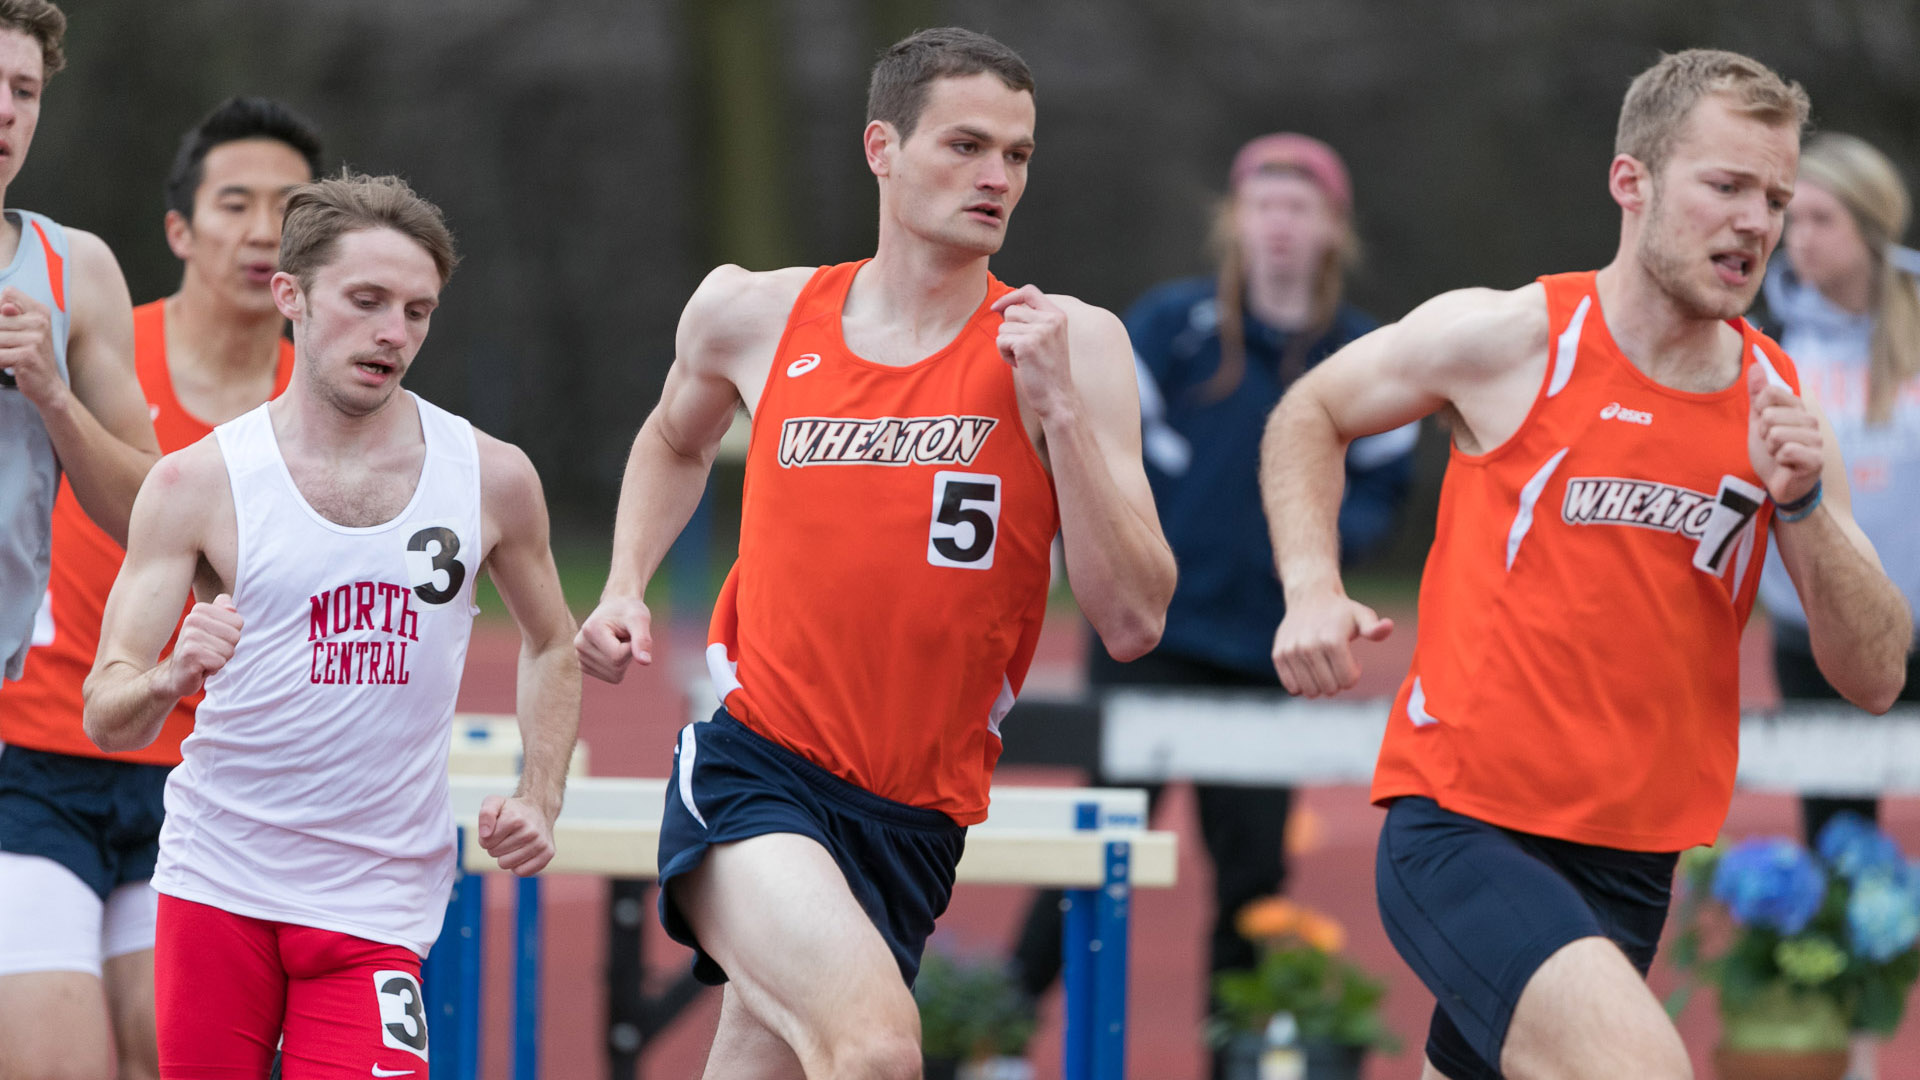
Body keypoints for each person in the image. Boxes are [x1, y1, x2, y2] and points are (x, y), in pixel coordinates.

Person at [1261, 50, 1910, 1080]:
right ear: (1633, 183)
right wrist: (1310, 586)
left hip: (1633, 863)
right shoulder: (1518, 337)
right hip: (1465, 826)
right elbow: (1313, 410)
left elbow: (1876, 675)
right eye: (1728, 185)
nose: (1756, 222)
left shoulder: (1779, 406)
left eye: (1777, 198)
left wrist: (1806, 509)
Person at [574, 27, 1176, 1079]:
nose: (997, 178)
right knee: (876, 1048)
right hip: (755, 762)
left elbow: (1133, 621)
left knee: (773, 1059)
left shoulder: (1069, 344)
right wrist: (626, 580)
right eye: (966, 146)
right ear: (880, 148)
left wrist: (1063, 417)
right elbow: (673, 437)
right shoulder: (751, 312)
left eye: (1019, 156)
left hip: (915, 815)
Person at [83, 171, 582, 1079]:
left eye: (418, 310)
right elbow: (105, 707)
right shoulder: (197, 484)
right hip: (218, 884)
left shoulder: (492, 477)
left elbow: (555, 643)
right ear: (292, 296)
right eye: (367, 300)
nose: (394, 332)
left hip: (378, 897)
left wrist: (541, 796)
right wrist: (166, 678)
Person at [1008, 132, 1415, 1069]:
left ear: (1332, 231)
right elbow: (1113, 471)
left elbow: (1385, 492)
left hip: (1273, 654)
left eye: (1299, 208)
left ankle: (1230, 1057)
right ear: (1235, 222)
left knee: (1254, 878)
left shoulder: (1364, 351)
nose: (1279, 224)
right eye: (1263, 206)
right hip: (1154, 639)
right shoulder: (1166, 327)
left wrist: (1316, 554)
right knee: (1094, 847)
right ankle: (987, 1028)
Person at [0, 95, 322, 1080]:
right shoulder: (85, 333)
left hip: (211, 783)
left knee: (176, 1059)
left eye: (292, 208)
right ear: (179, 230)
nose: (265, 230)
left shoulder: (335, 402)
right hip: (40, 754)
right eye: (237, 203)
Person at [1752, 130, 1920, 1080]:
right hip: (1817, 633)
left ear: (1869, 225)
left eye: (1816, 218)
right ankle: (1849, 1062)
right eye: (1789, 218)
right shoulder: (1769, 340)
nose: (1796, 239)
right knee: (1834, 855)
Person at [0, 0, 158, 688]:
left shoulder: (76, 271)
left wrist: (54, 397)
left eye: (24, 90)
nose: (6, 109)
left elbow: (146, 517)